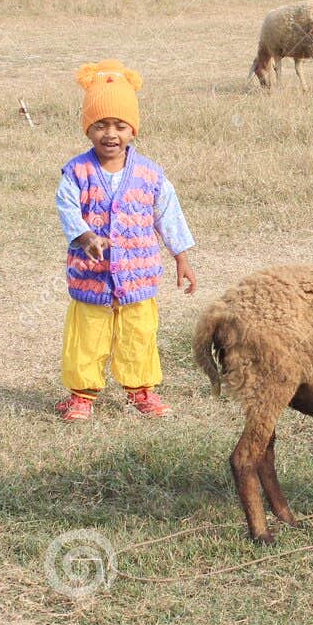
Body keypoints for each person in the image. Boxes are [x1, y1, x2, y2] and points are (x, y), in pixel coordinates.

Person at [54, 59, 198, 421]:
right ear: (88, 130)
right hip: (92, 276)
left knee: (139, 333)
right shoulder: (78, 172)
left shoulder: (150, 174)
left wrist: (181, 256)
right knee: (88, 335)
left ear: (132, 130)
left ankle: (141, 391)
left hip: (138, 274)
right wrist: (83, 234)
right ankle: (82, 394)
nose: (110, 133)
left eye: (120, 125)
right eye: (100, 125)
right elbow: (67, 207)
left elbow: (168, 214)